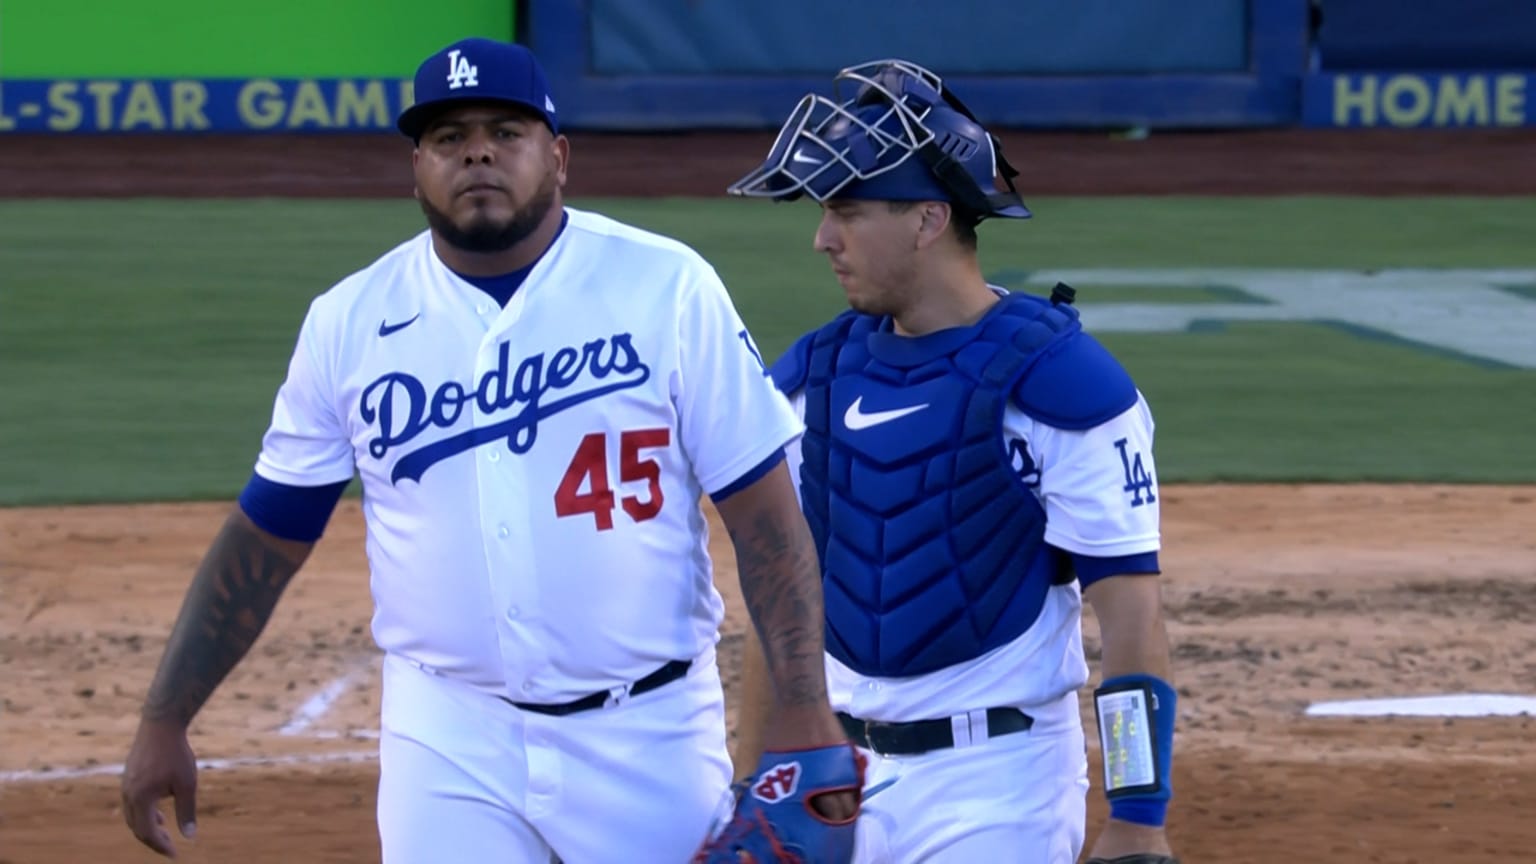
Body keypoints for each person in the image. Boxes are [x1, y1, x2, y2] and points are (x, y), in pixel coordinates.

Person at [119, 37, 861, 864]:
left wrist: (803, 704)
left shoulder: (666, 286)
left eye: (505, 131)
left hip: (646, 734)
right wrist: (164, 718)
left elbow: (763, 514)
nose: (476, 150)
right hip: (446, 740)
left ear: (559, 156)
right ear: (416, 169)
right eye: (448, 136)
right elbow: (267, 536)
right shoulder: (350, 321)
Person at [725, 59, 1183, 864]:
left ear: (929, 219)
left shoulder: (1062, 384)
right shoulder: (810, 379)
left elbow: (1132, 617)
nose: (822, 237)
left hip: (998, 786)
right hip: (838, 778)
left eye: (847, 210)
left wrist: (1139, 819)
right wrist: (752, 786)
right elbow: (781, 600)